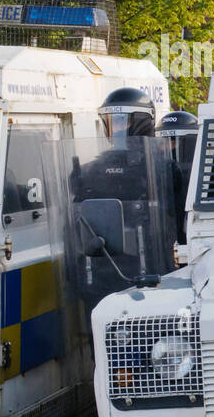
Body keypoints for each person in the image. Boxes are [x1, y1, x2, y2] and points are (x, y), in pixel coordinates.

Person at [69, 88, 167, 328]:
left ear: (142, 123)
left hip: (152, 272)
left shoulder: (160, 167)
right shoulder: (93, 170)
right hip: (104, 271)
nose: (116, 129)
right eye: (112, 121)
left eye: (123, 121)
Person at [156, 110, 198, 245]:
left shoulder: (200, 171)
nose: (168, 147)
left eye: (173, 142)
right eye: (163, 143)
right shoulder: (156, 169)